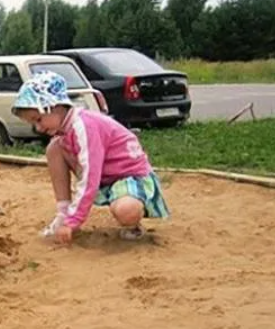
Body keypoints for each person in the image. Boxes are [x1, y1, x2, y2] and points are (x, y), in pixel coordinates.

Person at [11, 70, 170, 244]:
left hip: (130, 177)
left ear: (55, 106)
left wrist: (73, 222)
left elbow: (89, 175)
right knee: (54, 148)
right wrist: (67, 217)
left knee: (126, 210)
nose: (38, 128)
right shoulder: (65, 131)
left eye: (38, 119)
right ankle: (62, 213)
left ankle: (133, 224)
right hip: (106, 177)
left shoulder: (84, 127)